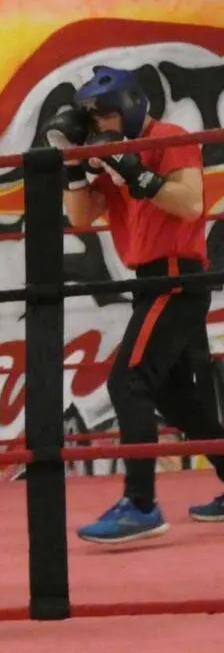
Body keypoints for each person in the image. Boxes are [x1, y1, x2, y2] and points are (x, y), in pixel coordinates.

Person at [46, 64, 224, 544]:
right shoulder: (108, 155)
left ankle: (141, 505)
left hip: (175, 277)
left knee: (128, 381)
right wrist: (75, 168)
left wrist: (131, 168)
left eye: (102, 115)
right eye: (91, 118)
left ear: (126, 107)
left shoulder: (169, 136)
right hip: (150, 281)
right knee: (172, 395)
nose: (97, 124)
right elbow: (83, 217)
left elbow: (189, 203)